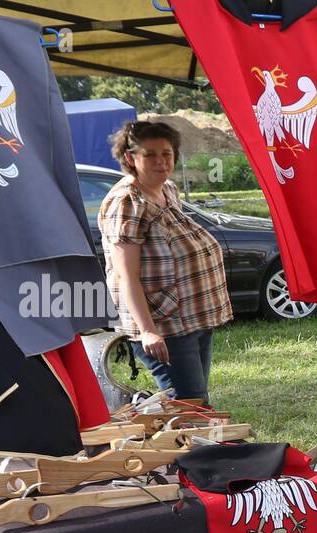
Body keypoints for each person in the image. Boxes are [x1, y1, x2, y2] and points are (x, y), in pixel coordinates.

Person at [98, 120, 232, 402]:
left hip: (192, 318)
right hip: (164, 323)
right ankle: (188, 445)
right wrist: (147, 331)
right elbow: (126, 276)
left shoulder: (167, 190)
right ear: (130, 158)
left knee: (194, 401)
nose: (161, 161)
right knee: (191, 405)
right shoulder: (127, 201)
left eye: (167, 153)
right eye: (150, 154)